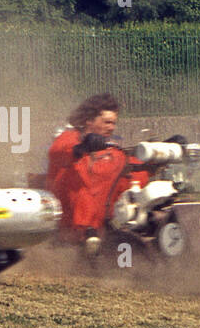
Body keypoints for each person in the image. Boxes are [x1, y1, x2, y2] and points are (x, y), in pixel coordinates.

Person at [46, 93, 148, 252]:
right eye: (107, 122)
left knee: (134, 176)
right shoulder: (71, 139)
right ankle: (85, 236)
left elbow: (134, 167)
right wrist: (82, 148)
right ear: (89, 121)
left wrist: (158, 156)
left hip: (105, 224)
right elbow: (57, 152)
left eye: (114, 123)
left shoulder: (112, 150)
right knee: (79, 178)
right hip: (69, 222)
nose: (112, 127)